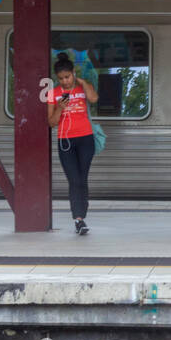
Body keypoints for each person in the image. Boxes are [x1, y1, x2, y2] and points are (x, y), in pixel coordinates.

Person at [47, 53, 98, 235]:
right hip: (65, 141)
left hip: (85, 139)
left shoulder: (83, 88)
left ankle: (81, 218)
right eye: (61, 78)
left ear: (73, 73)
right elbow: (51, 122)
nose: (65, 81)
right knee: (74, 179)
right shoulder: (53, 94)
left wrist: (81, 82)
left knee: (82, 178)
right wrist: (60, 107)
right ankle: (78, 219)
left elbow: (93, 99)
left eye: (67, 77)